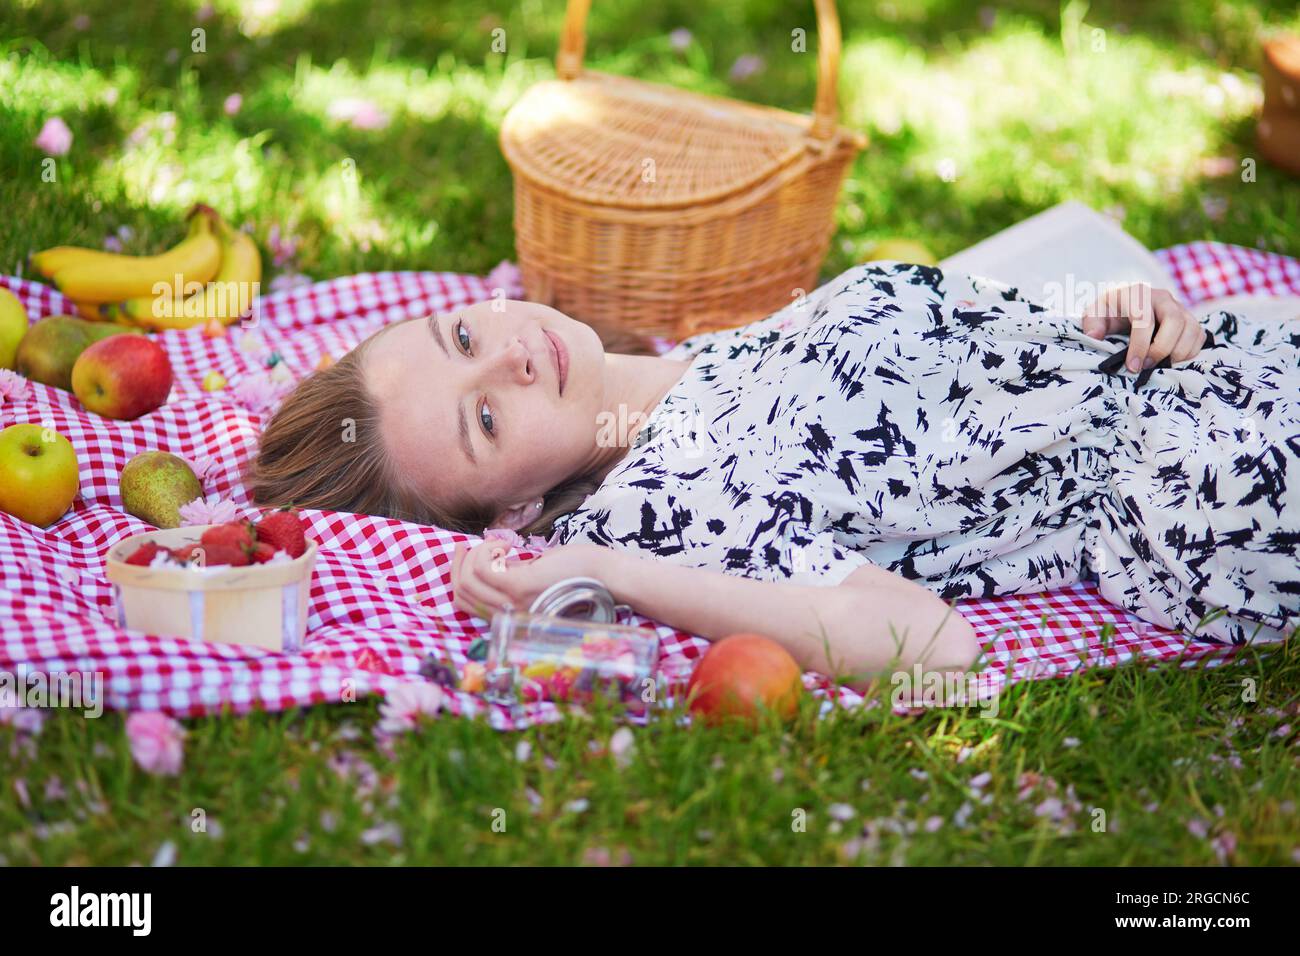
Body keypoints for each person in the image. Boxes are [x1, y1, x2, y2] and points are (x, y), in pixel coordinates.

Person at [246, 262, 1300, 686]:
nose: (511, 354)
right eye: (486, 415)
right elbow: (934, 644)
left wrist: (1101, 322)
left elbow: (947, 405)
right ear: (516, 505)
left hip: (1219, 368)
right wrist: (613, 571)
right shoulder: (670, 499)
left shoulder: (699, 350)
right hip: (1219, 483)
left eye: (465, 329)